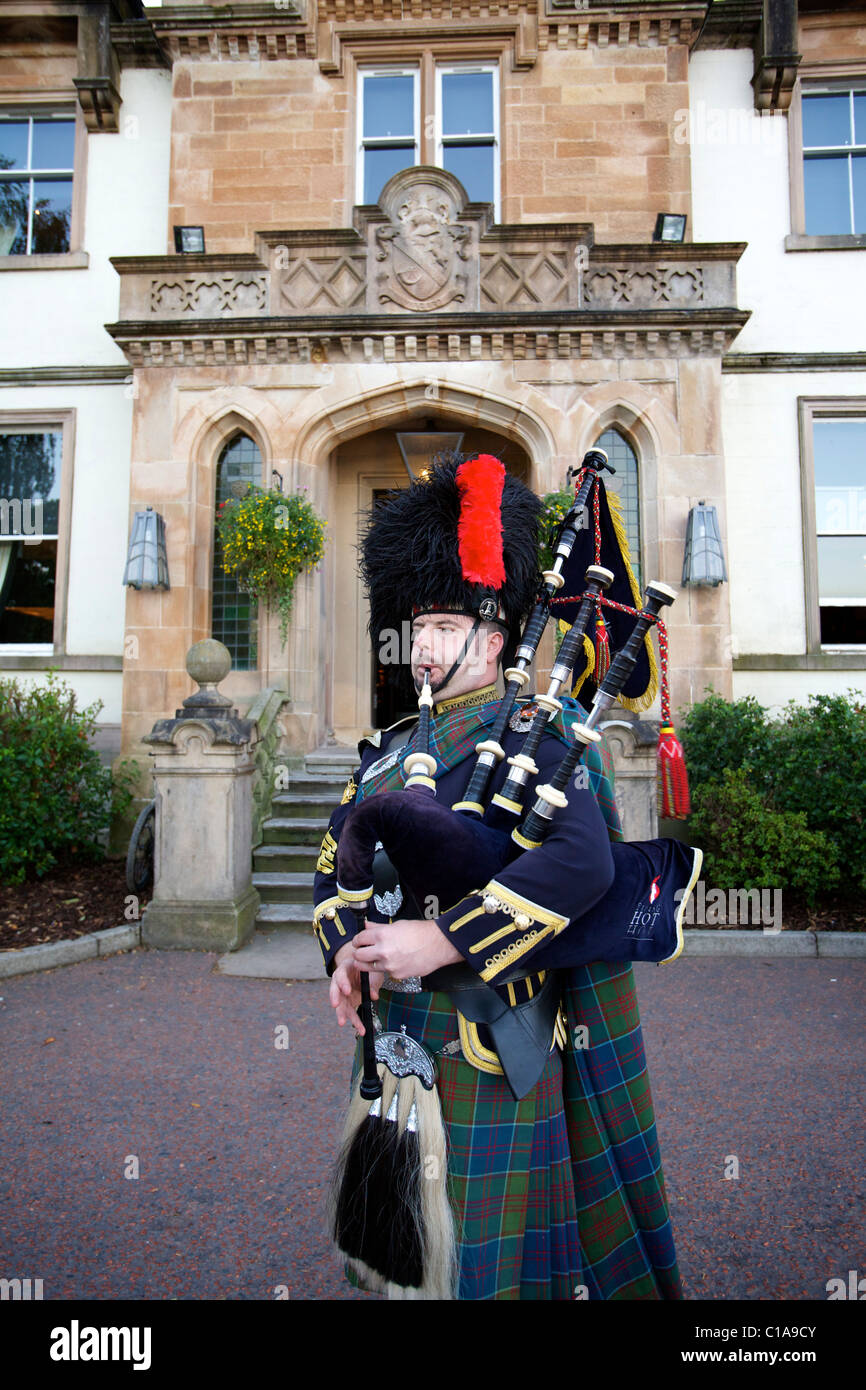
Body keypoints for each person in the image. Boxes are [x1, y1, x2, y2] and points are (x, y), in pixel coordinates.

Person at [313, 453, 683, 1300]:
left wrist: (440, 937)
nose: (426, 648)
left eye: (448, 628)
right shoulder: (393, 751)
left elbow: (582, 863)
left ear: (498, 639)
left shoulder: (541, 738)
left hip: (486, 1051)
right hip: (391, 1050)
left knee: (490, 1269)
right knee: (401, 1262)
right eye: (420, 628)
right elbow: (336, 868)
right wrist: (347, 950)